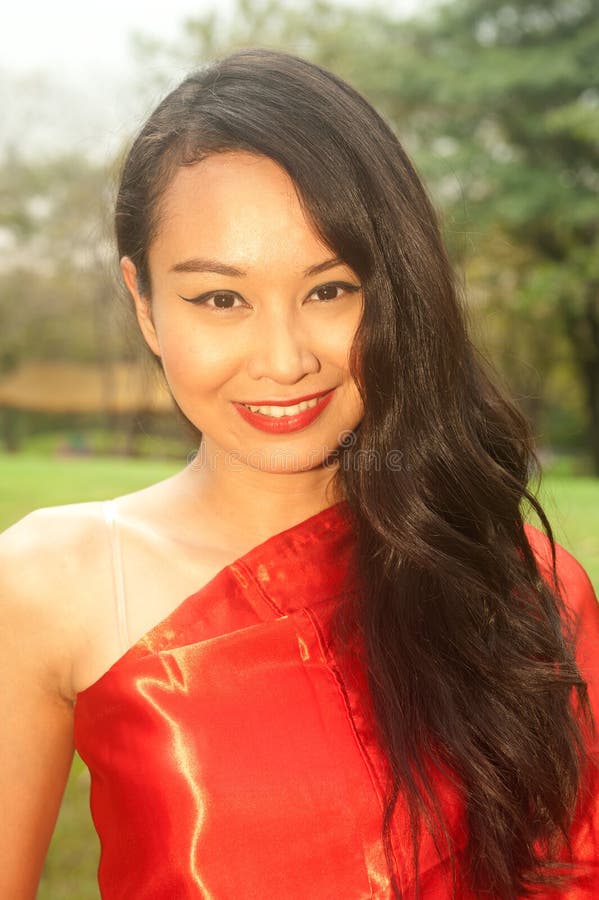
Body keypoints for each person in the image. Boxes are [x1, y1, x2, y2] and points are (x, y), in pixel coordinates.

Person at [1, 47, 598, 900]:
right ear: (143, 304)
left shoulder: (523, 591)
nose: (284, 361)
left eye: (330, 291)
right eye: (219, 299)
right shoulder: (46, 583)